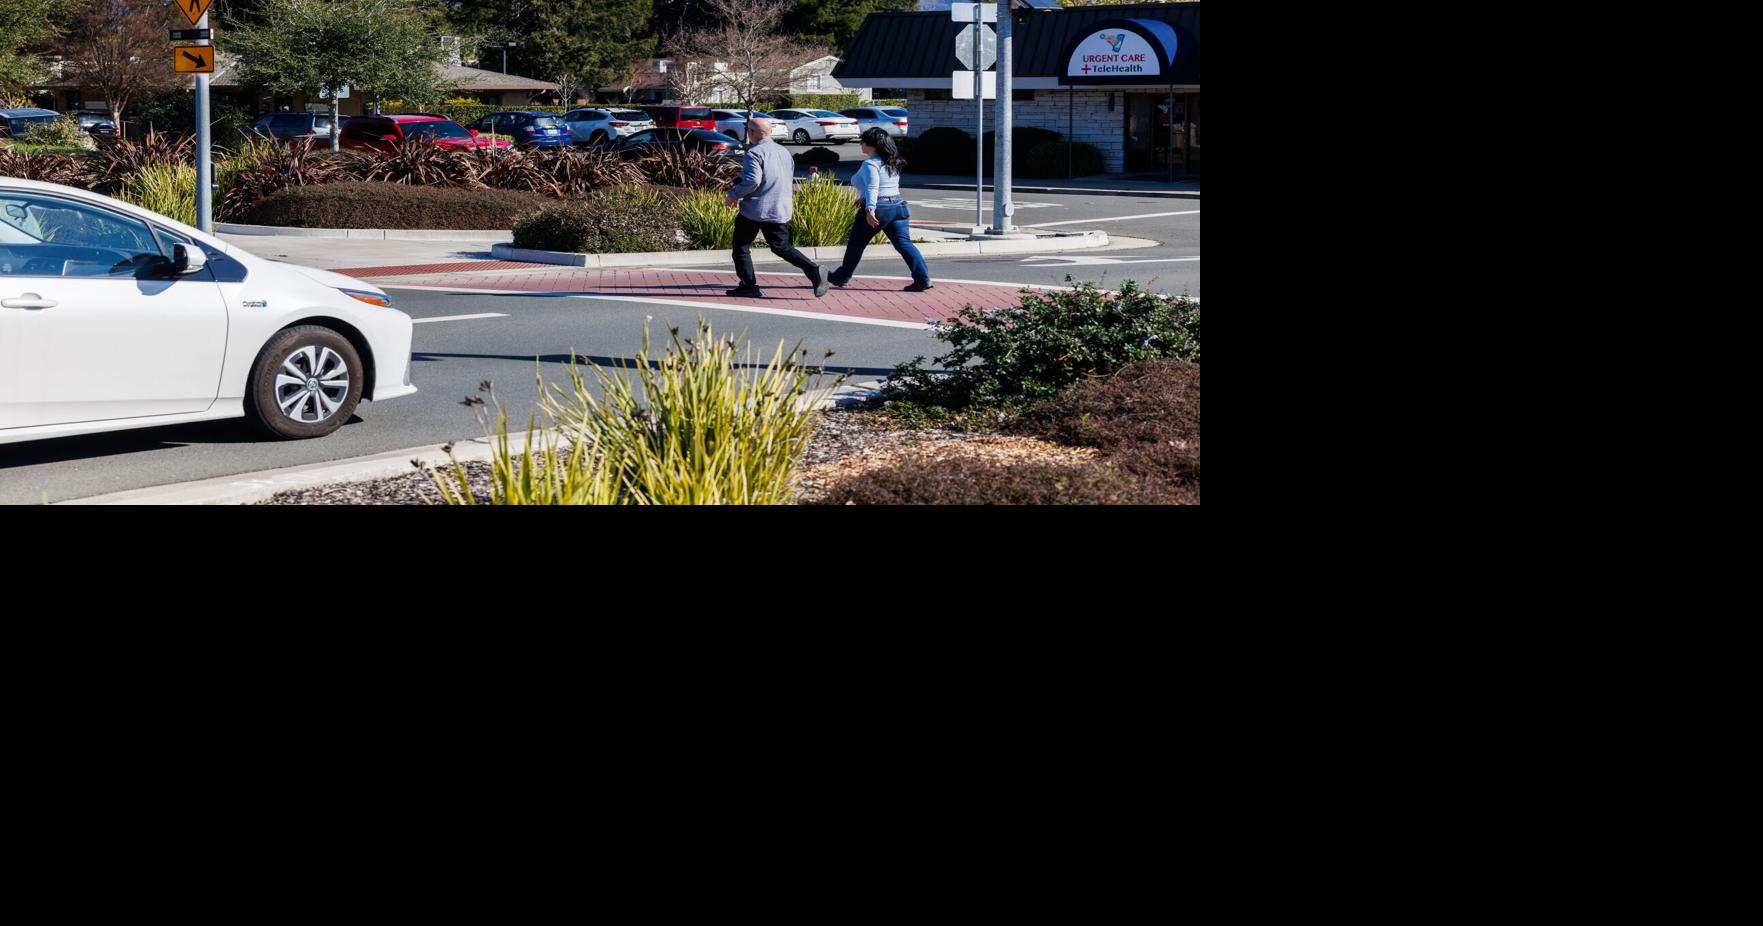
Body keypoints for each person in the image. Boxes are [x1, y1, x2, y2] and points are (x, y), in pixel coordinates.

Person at [724, 117, 827, 299]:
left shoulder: (754, 153)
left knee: (740, 247)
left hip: (755, 209)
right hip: (779, 207)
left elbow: (753, 181)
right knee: (781, 247)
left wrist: (734, 194)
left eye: (748, 130)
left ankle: (749, 285)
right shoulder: (784, 151)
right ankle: (814, 270)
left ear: (752, 133)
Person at [827, 127, 932, 292]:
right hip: (899, 206)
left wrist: (869, 209)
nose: (860, 144)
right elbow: (887, 186)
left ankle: (842, 277)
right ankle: (922, 278)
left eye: (862, 142)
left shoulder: (870, 163)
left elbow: (873, 187)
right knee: (904, 244)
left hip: (880, 208)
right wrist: (863, 198)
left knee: (856, 243)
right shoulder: (892, 161)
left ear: (872, 145)